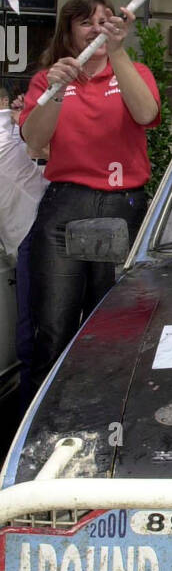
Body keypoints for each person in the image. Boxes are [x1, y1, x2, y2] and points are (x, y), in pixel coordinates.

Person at [20, 0, 160, 390]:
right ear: (68, 32)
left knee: (117, 330)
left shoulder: (134, 70)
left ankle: (105, 419)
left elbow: (146, 114)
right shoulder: (47, 78)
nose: (96, 28)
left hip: (123, 208)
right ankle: (40, 426)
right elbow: (33, 139)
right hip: (66, 206)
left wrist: (118, 55)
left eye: (104, 20)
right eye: (85, 22)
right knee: (53, 327)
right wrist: (57, 89)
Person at [0, 81, 48, 409]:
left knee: (33, 335)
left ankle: (31, 419)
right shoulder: (12, 133)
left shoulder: (6, 135)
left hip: (32, 237)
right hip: (36, 233)